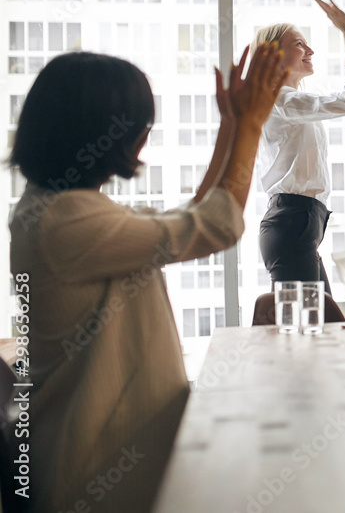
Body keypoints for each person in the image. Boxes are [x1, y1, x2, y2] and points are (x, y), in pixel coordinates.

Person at [8, 46, 287, 512]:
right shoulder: (65, 220)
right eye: (141, 126)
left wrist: (232, 125)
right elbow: (216, 225)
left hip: (111, 458)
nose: (143, 137)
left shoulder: (57, 209)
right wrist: (253, 126)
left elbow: (193, 215)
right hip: (98, 471)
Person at [251, 0, 345, 325]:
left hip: (300, 226)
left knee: (325, 328)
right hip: (292, 223)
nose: (311, 50)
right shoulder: (281, 99)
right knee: (309, 333)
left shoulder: (289, 101)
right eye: (300, 44)